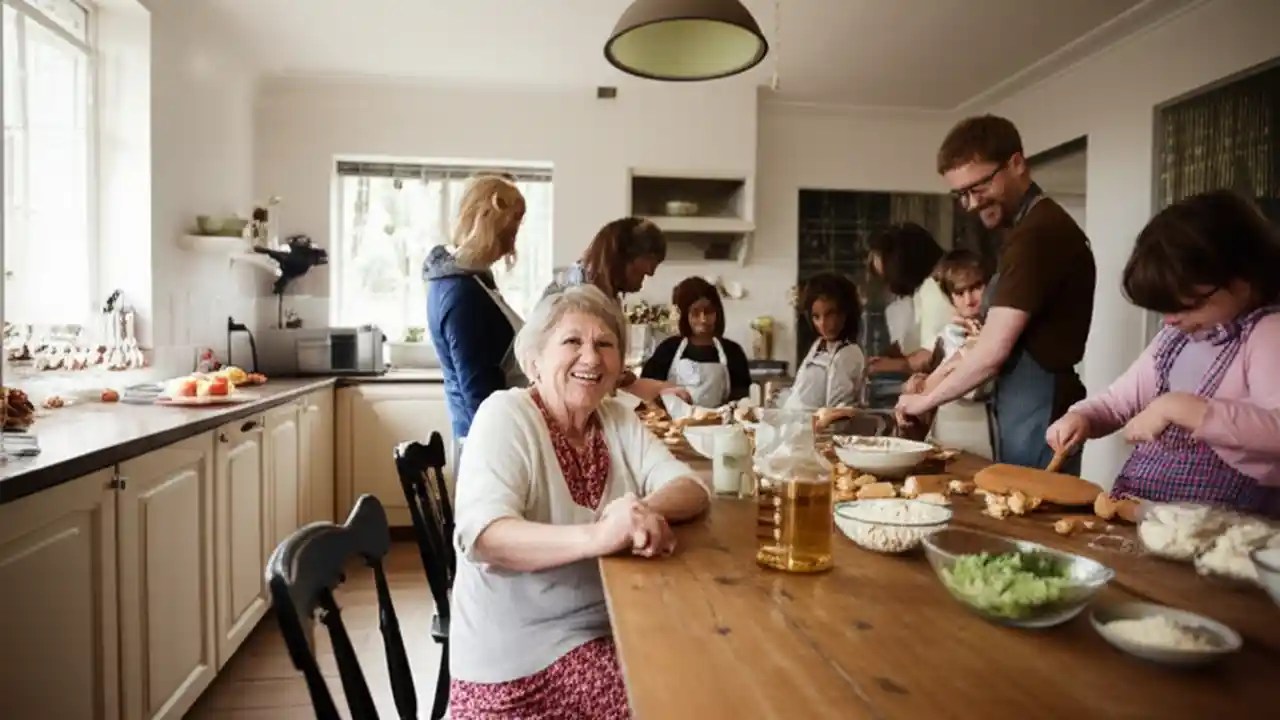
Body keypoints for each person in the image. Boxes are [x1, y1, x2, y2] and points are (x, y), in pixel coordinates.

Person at [448, 285, 712, 717]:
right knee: (678, 700)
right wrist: (602, 534)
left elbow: (690, 488)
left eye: (605, 344)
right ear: (534, 361)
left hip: (610, 631)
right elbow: (485, 537)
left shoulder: (615, 419)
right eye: (572, 341)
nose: (591, 358)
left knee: (706, 666)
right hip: (519, 665)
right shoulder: (506, 415)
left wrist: (640, 512)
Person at [1047, 190, 1280, 516]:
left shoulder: (1268, 332)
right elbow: (1118, 402)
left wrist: (1180, 408)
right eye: (1164, 308)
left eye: (1187, 304)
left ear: (1242, 280)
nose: (1170, 320)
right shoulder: (1177, 336)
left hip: (1222, 525)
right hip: (1148, 511)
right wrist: (1082, 417)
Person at [897, 114, 1096, 474]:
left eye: (979, 187)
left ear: (1017, 164)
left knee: (1035, 522)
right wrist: (929, 385)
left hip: (1042, 410)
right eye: (962, 195)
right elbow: (981, 343)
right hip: (1022, 405)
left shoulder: (1037, 235)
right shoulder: (1024, 231)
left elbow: (991, 352)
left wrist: (925, 400)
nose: (971, 204)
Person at [425, 175, 527, 443]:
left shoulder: (470, 280)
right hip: (492, 442)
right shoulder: (462, 295)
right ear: (488, 227)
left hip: (500, 434)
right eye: (509, 233)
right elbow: (480, 397)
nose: (511, 246)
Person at [547, 216, 688, 404]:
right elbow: (583, 367)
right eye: (642, 272)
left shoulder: (602, 293)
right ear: (622, 258)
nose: (650, 274)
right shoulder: (579, 293)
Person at [903, 249, 994, 457]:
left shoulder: (999, 332)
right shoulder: (945, 338)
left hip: (985, 430)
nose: (969, 299)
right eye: (959, 293)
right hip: (947, 429)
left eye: (976, 288)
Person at [641, 276, 752, 407]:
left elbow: (741, 400)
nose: (703, 319)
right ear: (683, 316)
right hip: (673, 425)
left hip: (720, 425)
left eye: (708, 311)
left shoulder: (733, 351)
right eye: (695, 313)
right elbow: (646, 392)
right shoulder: (668, 350)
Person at [865, 222, 950, 376]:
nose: (891, 287)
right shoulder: (926, 288)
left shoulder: (935, 290)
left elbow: (933, 356)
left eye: (888, 278)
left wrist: (892, 365)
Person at [785, 272, 866, 412]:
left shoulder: (848, 354)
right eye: (816, 317)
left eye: (830, 314)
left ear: (844, 312)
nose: (822, 324)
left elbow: (837, 412)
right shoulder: (818, 345)